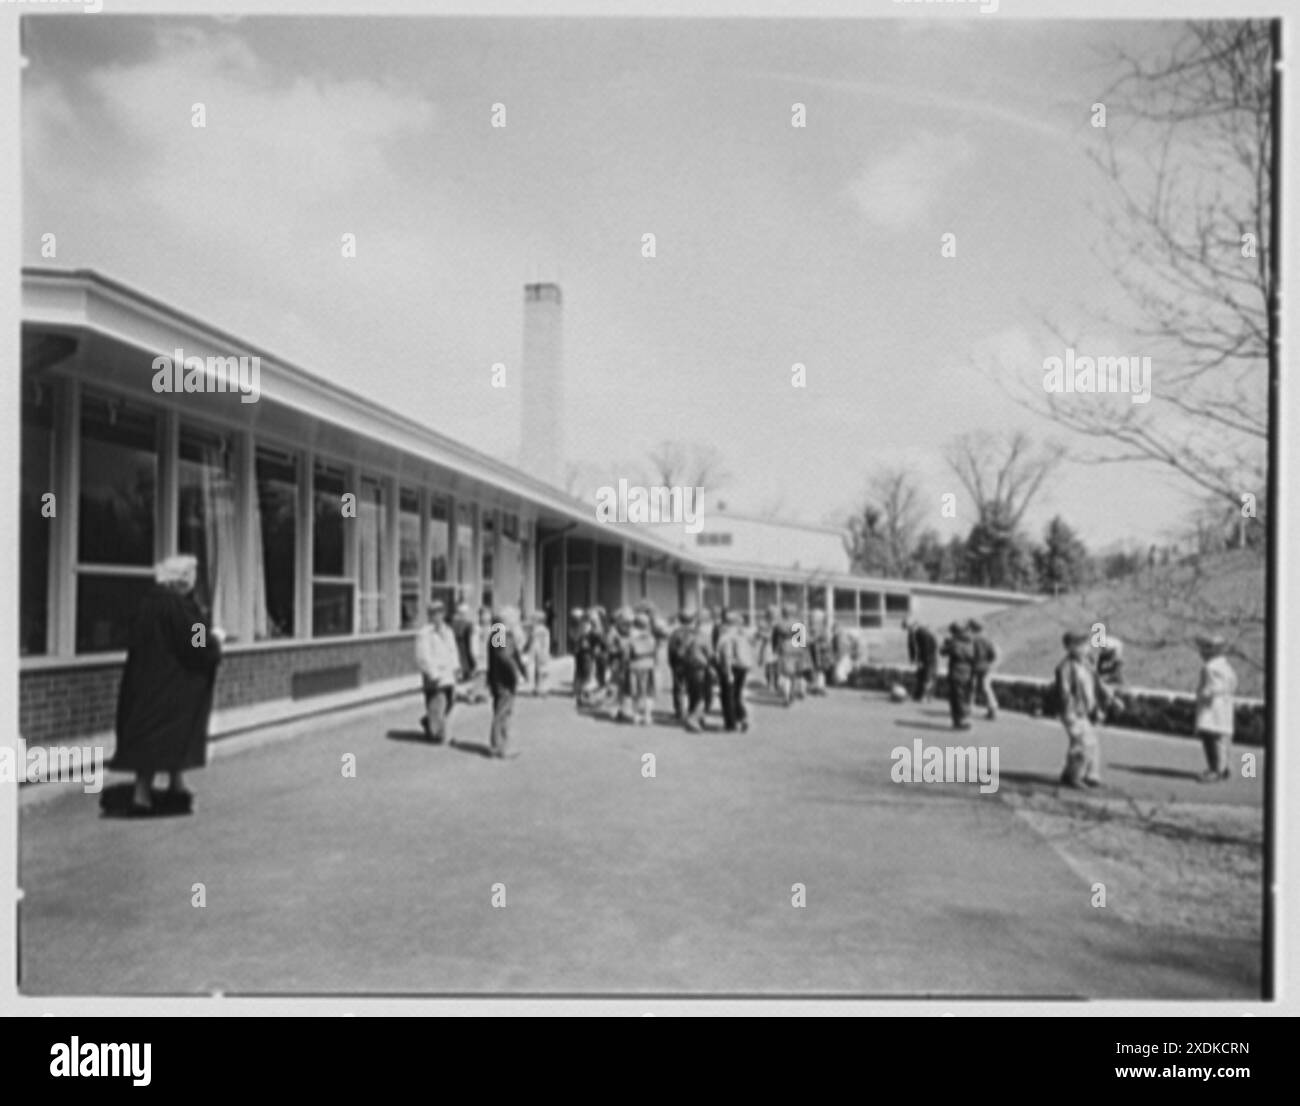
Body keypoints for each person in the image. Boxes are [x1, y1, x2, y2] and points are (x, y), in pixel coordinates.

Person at [110, 555, 224, 816]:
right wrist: (215, 639)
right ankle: (168, 787)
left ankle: (148, 791)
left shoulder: (147, 603)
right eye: (192, 575)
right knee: (175, 733)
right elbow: (199, 645)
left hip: (144, 684)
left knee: (149, 736)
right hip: (176, 685)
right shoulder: (184, 609)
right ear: (183, 580)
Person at [1054, 630, 1113, 788]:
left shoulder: (1087, 664)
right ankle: (1074, 776)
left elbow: (1096, 684)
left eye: (1085, 645)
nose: (1085, 648)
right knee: (1082, 743)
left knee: (1090, 742)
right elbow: (1064, 692)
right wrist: (1069, 712)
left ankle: (1088, 774)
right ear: (1070, 648)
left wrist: (1106, 699)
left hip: (1085, 710)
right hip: (1073, 711)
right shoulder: (1065, 667)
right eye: (1080, 645)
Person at [1194, 635, 1238, 782]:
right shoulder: (1226, 666)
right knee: (1223, 739)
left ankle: (1216, 770)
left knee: (1212, 738)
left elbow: (1212, 688)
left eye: (1204, 650)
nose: (1201, 653)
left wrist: (1204, 694)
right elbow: (1232, 684)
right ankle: (1225, 768)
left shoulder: (1210, 667)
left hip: (1212, 708)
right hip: (1224, 706)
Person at [486, 606, 528, 759]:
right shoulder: (499, 632)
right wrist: (516, 672)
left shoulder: (503, 632)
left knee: (505, 711)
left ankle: (501, 745)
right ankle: (498, 747)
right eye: (516, 618)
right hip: (502, 679)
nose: (518, 621)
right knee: (502, 712)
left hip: (504, 679)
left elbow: (512, 653)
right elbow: (503, 656)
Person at [416, 599, 459, 744]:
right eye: (434, 613)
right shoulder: (425, 633)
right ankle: (440, 735)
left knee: (448, 704)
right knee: (437, 704)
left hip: (448, 674)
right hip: (435, 675)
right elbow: (423, 656)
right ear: (429, 615)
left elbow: (453, 650)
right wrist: (432, 673)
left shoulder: (448, 631)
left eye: (440, 613)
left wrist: (456, 667)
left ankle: (429, 723)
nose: (437, 616)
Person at [717, 610, 754, 732]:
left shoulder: (726, 635)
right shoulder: (743, 633)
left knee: (727, 696)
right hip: (743, 666)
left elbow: (726, 654)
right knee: (737, 694)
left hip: (731, 666)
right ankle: (743, 717)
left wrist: (727, 672)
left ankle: (730, 724)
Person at [939, 621, 975, 730]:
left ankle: (960, 720)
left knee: (956, 698)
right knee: (964, 696)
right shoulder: (970, 642)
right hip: (968, 672)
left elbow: (942, 652)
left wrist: (946, 643)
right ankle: (962, 719)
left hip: (956, 672)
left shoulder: (954, 643)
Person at [627, 611, 658, 725]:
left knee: (635, 692)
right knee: (648, 692)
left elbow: (627, 653)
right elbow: (655, 652)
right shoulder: (651, 636)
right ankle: (647, 716)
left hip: (634, 665)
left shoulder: (631, 636)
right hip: (648, 665)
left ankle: (635, 716)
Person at [967, 619, 1000, 721]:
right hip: (985, 667)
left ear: (971, 628)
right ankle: (992, 709)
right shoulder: (987, 640)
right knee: (985, 688)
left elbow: (968, 654)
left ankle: (969, 708)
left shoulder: (971, 640)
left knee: (972, 688)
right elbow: (995, 656)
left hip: (975, 667)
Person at [667, 609, 696, 720]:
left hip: (678, 664)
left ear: (680, 620)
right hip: (693, 664)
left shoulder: (675, 633)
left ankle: (679, 712)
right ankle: (692, 710)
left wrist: (671, 663)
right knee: (693, 688)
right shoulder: (696, 632)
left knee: (678, 688)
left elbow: (671, 649)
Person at [905, 618, 938, 703]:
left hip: (929, 658)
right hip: (923, 658)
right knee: (920, 676)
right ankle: (918, 695)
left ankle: (926, 697)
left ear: (914, 625)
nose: (908, 630)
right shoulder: (912, 633)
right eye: (907, 628)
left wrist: (923, 661)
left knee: (928, 677)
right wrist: (913, 659)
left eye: (909, 627)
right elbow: (911, 646)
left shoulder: (923, 633)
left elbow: (929, 647)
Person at [526, 611, 551, 696]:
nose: (532, 621)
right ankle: (542, 688)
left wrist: (530, 655)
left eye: (533, 619)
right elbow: (546, 642)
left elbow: (534, 643)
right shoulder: (545, 630)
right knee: (543, 671)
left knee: (539, 671)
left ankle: (539, 689)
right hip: (544, 651)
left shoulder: (536, 630)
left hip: (539, 652)